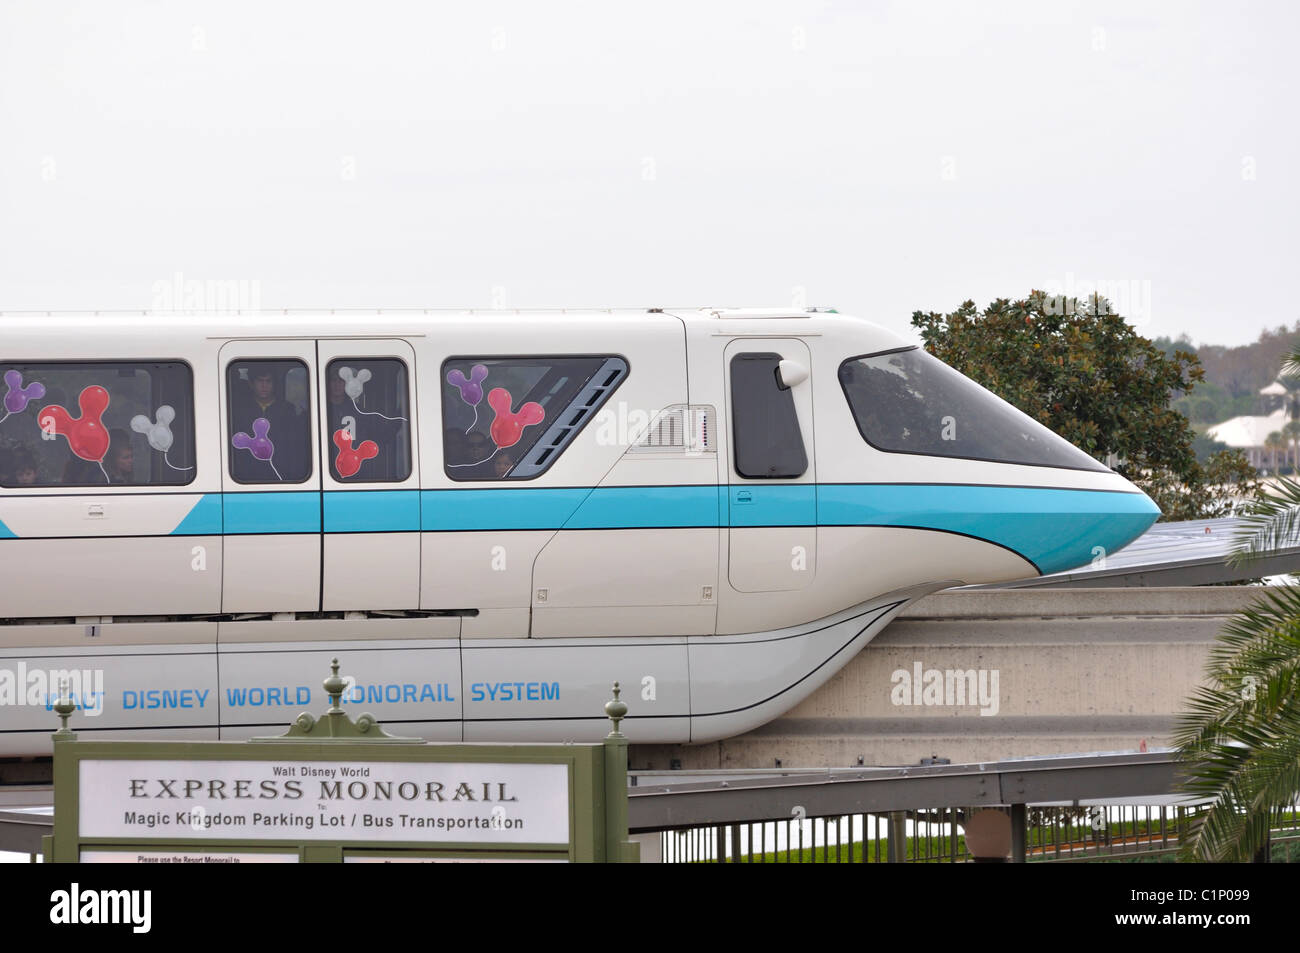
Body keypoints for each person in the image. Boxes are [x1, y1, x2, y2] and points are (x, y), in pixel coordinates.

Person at [231, 365, 307, 481]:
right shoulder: (240, 410)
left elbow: (292, 445)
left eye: (268, 381)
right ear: (251, 384)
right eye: (260, 381)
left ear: (274, 384)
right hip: (247, 472)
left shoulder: (287, 410)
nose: (264, 386)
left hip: (280, 470)